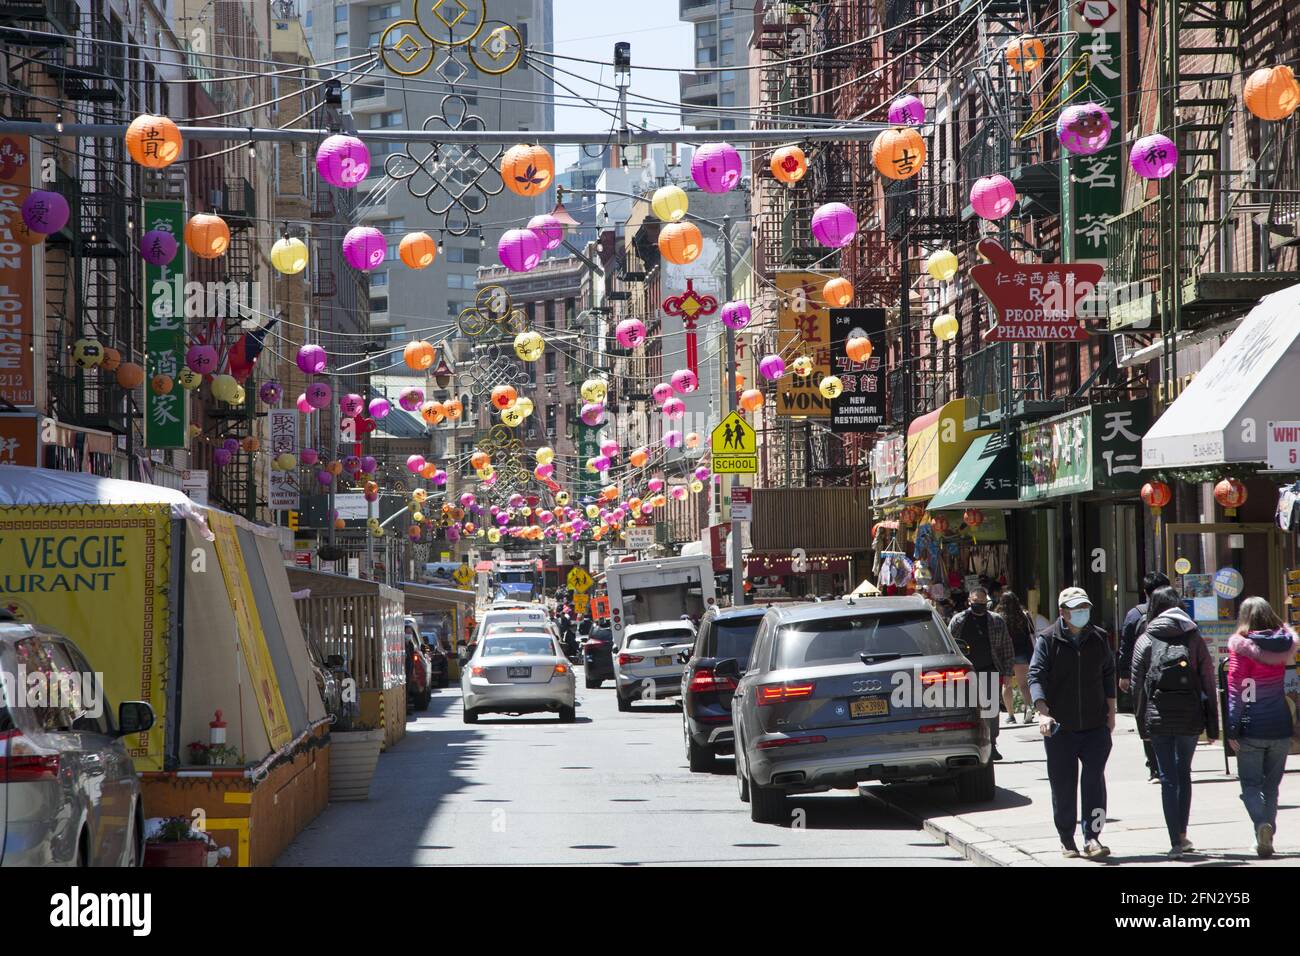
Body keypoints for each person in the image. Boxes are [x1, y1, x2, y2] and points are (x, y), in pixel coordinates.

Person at [1028, 586, 1117, 860]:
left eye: (1085, 608)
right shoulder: (1047, 640)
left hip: (1094, 726)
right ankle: (1067, 839)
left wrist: (1111, 712)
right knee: (1063, 786)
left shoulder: (1099, 638)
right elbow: (1035, 676)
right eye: (1076, 609)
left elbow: (1108, 674)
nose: (1082, 613)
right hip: (1060, 728)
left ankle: (1093, 837)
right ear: (1063, 613)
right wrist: (1042, 712)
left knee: (1094, 783)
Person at [1131, 586, 1218, 859]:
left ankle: (1174, 842)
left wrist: (1142, 725)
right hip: (1189, 717)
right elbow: (1208, 680)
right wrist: (1213, 725)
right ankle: (1182, 832)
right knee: (1184, 773)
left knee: (1168, 777)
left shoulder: (1145, 639)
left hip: (1158, 717)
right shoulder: (1193, 638)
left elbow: (1137, 688)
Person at [1226, 597, 1297, 858]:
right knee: (1271, 786)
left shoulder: (1242, 648)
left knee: (1250, 785)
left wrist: (1234, 727)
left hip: (1252, 725)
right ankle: (1266, 837)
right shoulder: (1283, 645)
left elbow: (1239, 691)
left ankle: (1261, 825)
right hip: (1280, 723)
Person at [947, 587, 1014, 761]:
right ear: (970, 601)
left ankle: (992, 744)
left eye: (983, 603)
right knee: (966, 710)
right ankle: (966, 745)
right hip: (965, 674)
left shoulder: (996, 621)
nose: (980, 606)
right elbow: (948, 646)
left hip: (989, 669)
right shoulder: (958, 620)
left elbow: (1007, 648)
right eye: (977, 603)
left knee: (991, 713)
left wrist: (1007, 673)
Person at [1119, 571, 1172, 783]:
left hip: (1143, 675)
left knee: (1146, 717)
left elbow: (1126, 647)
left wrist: (1124, 674)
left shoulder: (1135, 614)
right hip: (1173, 673)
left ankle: (1155, 767)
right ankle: (1171, 762)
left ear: (1145, 592)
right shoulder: (1178, 612)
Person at [996, 591, 1035, 723]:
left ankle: (1011, 715)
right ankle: (1028, 708)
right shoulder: (1023, 615)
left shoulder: (999, 617)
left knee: (1006, 684)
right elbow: (1032, 632)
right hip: (1022, 653)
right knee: (1023, 684)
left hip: (1005, 654)